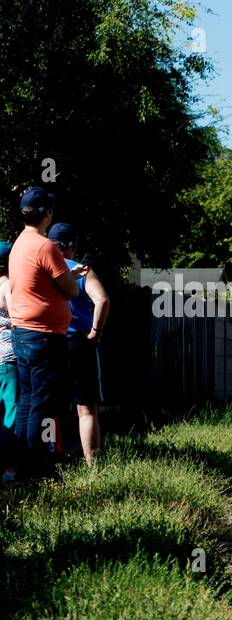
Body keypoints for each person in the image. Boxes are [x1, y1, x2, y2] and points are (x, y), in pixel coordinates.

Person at [7, 186, 88, 478]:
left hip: (23, 332)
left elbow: (40, 281)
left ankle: (21, 466)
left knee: (28, 401)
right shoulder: (46, 246)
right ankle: (37, 467)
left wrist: (67, 275)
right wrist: (72, 279)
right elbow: (68, 290)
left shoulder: (19, 244)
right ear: (47, 213)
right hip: (44, 335)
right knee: (43, 403)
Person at [49, 224, 110, 464]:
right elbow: (102, 300)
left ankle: (50, 459)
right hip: (79, 343)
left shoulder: (43, 272)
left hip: (49, 341)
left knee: (50, 407)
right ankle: (92, 465)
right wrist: (96, 331)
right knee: (86, 409)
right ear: (71, 246)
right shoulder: (81, 271)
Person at [0, 242, 17, 482]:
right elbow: (18, 314)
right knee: (10, 413)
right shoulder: (6, 286)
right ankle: (10, 469)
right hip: (8, 358)